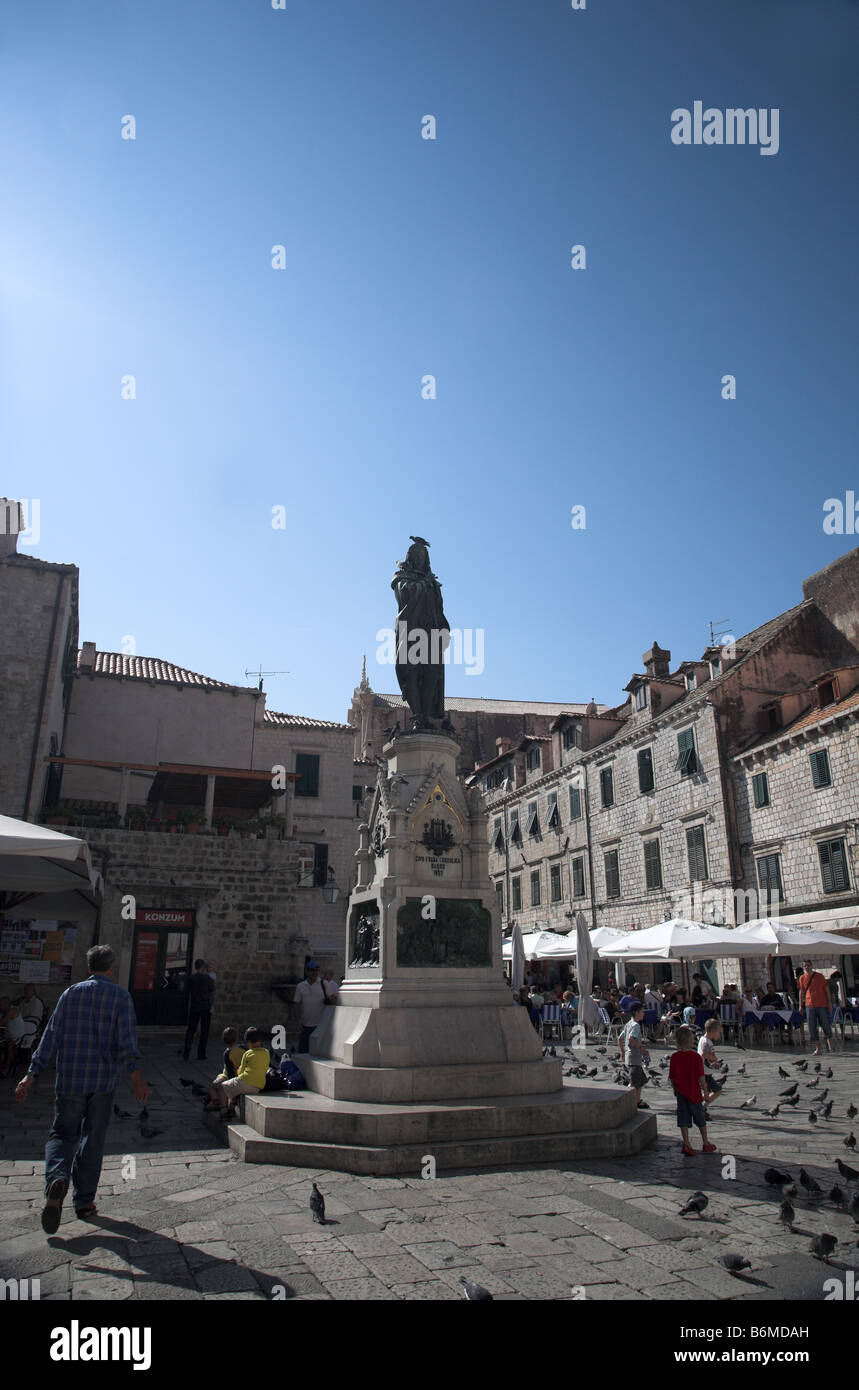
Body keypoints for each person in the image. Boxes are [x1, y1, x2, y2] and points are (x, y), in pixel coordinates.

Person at [15, 944, 151, 1232]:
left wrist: (31, 1073)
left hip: (71, 1079)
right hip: (102, 1081)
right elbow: (128, 1041)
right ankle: (84, 1201)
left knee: (62, 1133)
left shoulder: (70, 994)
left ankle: (56, 1178)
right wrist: (136, 1076)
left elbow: (51, 1035)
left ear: (88, 967)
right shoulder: (120, 997)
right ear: (111, 968)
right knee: (93, 1138)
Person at [669, 1026, 717, 1157]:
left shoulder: (674, 1057)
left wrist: (675, 1089)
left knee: (683, 1119)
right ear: (691, 1041)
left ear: (677, 1042)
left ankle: (686, 1144)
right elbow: (701, 1077)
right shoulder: (696, 1058)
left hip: (681, 1093)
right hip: (694, 1093)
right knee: (700, 1119)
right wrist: (706, 1092)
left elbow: (672, 1077)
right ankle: (706, 1143)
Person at [208, 1026, 269, 1119]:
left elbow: (241, 1072)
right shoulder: (266, 1052)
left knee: (223, 1087)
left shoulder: (247, 1054)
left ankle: (224, 1110)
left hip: (246, 1081)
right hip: (259, 1086)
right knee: (234, 1086)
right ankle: (231, 1106)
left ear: (248, 1042)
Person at [798, 959, 834, 1055]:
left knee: (825, 1024)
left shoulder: (820, 976)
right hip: (809, 1005)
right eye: (805, 966)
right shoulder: (802, 978)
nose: (806, 967)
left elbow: (826, 990)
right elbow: (801, 992)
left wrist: (829, 1003)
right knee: (812, 1027)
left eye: (808, 965)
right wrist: (800, 1005)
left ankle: (830, 1043)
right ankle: (818, 1048)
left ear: (812, 966)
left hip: (821, 1004)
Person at [619, 1002, 650, 1109]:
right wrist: (642, 1049)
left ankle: (637, 1101)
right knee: (634, 1083)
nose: (643, 1014)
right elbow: (631, 1039)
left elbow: (620, 1038)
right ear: (636, 1012)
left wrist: (623, 1052)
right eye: (642, 1012)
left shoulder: (628, 1024)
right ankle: (629, 1101)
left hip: (629, 1057)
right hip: (634, 1058)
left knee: (640, 1081)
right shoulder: (636, 1025)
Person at [183, 958, 214, 1061]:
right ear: (203, 967)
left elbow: (187, 990)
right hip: (205, 1007)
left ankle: (186, 1051)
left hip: (194, 1006)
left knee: (191, 1029)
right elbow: (212, 990)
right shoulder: (207, 979)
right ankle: (201, 1053)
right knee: (204, 1031)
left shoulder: (191, 978)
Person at [294, 961, 326, 1052]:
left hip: (320, 1024)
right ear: (307, 972)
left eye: (317, 970)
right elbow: (296, 1004)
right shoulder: (300, 986)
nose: (315, 972)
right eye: (312, 970)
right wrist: (298, 1020)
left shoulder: (323, 984)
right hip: (306, 1024)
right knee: (303, 1052)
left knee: (318, 1051)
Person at [0, 998, 31, 1076]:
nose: (0, 1006)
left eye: (1, 1004)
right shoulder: (5, 1012)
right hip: (9, 1036)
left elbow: (2, 1023)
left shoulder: (13, 1011)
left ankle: (6, 1069)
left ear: (7, 1004)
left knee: (9, 1044)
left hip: (17, 1037)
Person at [697, 1018, 725, 1102]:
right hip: (705, 1073)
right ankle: (701, 1107)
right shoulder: (706, 1042)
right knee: (718, 1091)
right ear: (713, 1031)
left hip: (705, 1071)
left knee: (707, 1092)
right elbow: (703, 1053)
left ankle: (700, 1106)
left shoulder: (703, 1039)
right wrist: (714, 1058)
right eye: (719, 1032)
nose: (719, 1035)